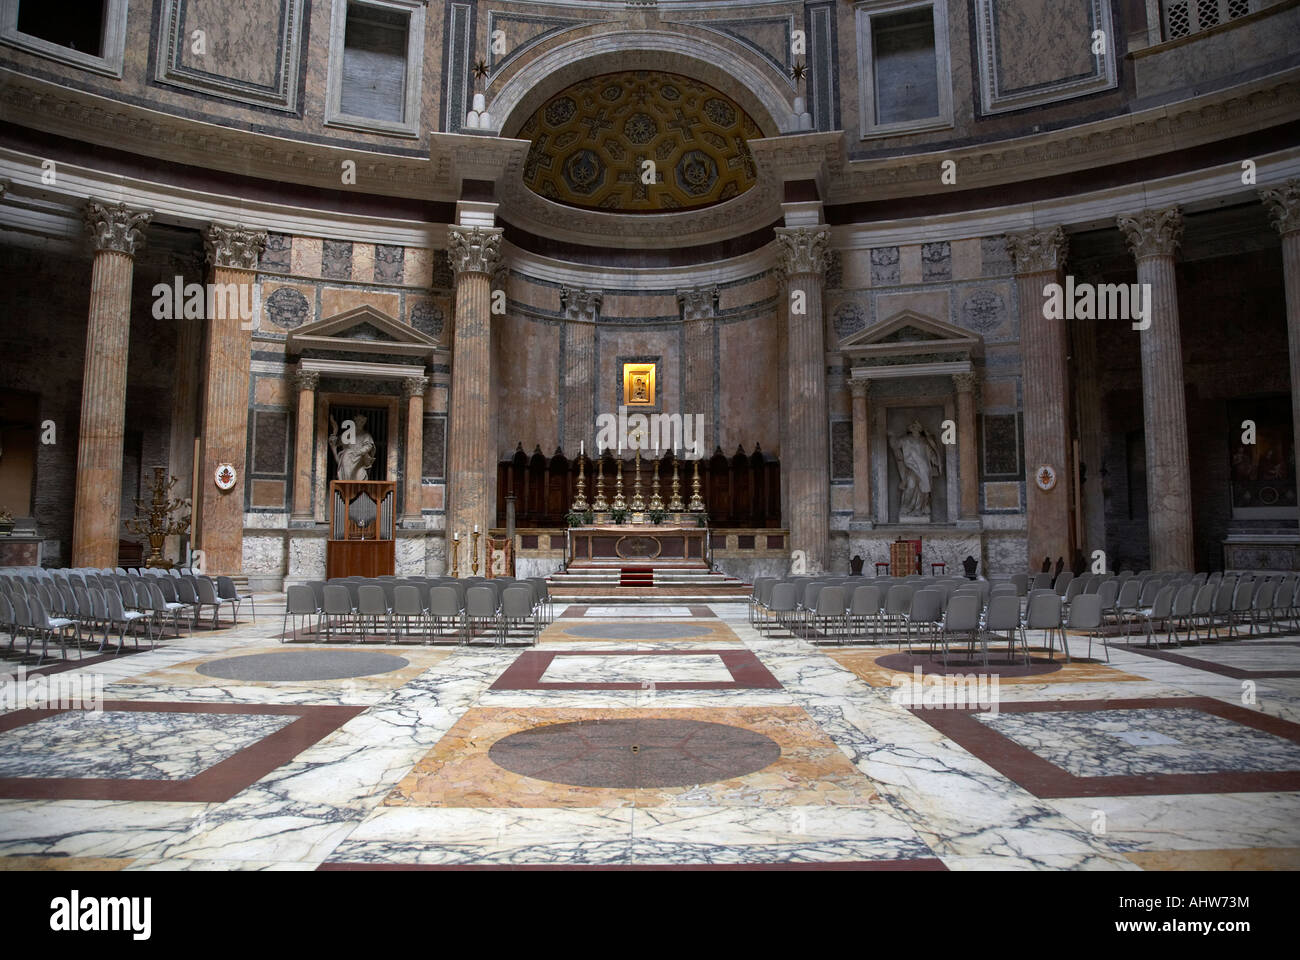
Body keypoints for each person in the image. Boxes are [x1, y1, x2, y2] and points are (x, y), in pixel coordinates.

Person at [329, 413, 377, 481]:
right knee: (346, 455)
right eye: (358, 420)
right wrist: (334, 437)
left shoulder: (366, 435)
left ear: (364, 422)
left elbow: (369, 446)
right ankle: (346, 480)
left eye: (362, 421)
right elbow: (338, 442)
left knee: (358, 461)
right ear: (355, 421)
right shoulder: (348, 433)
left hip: (359, 456)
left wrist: (359, 452)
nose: (360, 423)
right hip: (348, 455)